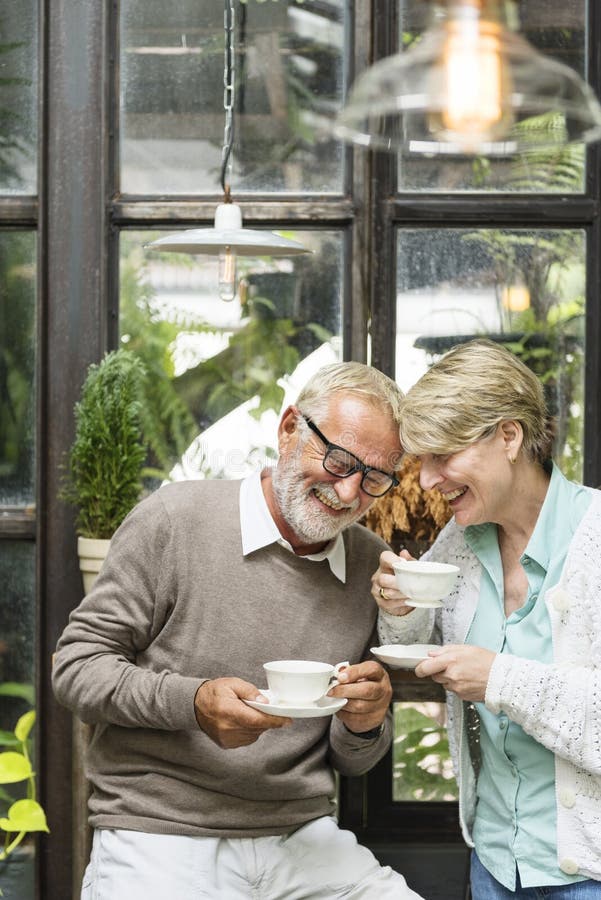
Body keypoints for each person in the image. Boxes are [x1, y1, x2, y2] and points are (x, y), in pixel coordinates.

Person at [53, 361, 424, 900]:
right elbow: (76, 669)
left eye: (374, 479)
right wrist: (194, 702)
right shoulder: (174, 520)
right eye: (339, 460)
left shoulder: (371, 563)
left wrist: (364, 724)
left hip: (302, 835)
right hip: (159, 829)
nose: (348, 493)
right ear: (289, 428)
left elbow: (352, 760)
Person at [372, 339, 601, 900]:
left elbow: (491, 676)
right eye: (421, 460)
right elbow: (420, 642)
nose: (427, 480)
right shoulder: (460, 541)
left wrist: (499, 679)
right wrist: (402, 607)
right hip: (495, 864)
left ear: (509, 436)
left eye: (442, 456)